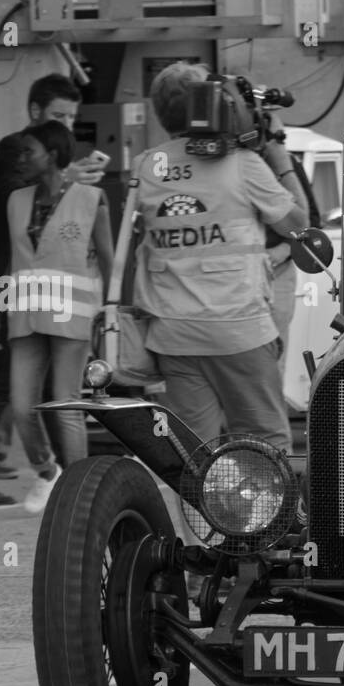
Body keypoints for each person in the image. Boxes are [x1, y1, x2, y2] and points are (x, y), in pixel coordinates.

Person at [131, 62, 310, 455]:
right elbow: (299, 224)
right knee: (264, 441)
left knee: (198, 451)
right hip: (239, 330)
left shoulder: (146, 165)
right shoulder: (242, 163)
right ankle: (265, 517)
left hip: (173, 334)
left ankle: (204, 518)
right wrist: (277, 154)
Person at [0, 73, 105, 507]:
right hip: (8, 282)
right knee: (8, 385)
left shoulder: (66, 179)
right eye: (58, 115)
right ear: (35, 112)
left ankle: (54, 474)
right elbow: (8, 195)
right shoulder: (15, 150)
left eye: (72, 117)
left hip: (47, 296)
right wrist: (63, 176)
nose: (67, 125)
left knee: (50, 392)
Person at [6, 120, 113, 513]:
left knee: (65, 403)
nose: (22, 159)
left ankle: (82, 492)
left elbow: (107, 257)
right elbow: (14, 257)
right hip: (24, 314)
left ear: (51, 155)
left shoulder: (91, 198)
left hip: (71, 313)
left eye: (28, 151)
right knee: (21, 405)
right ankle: (46, 470)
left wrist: (110, 308)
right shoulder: (15, 200)